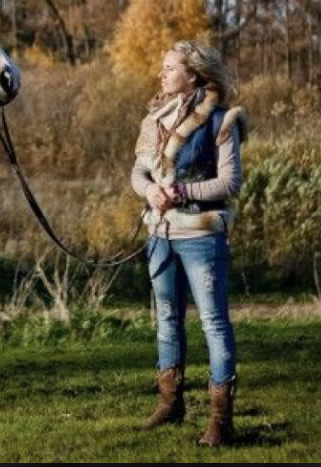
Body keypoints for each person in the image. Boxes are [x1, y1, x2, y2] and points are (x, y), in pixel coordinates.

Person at [130, 40, 247, 447]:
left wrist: (178, 192)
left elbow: (231, 182)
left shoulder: (221, 121)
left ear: (193, 75)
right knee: (167, 319)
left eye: (170, 68)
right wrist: (149, 192)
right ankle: (170, 403)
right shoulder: (154, 119)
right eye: (162, 67)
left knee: (213, 323)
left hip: (201, 236)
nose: (162, 74)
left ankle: (220, 420)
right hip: (159, 235)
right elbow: (138, 173)